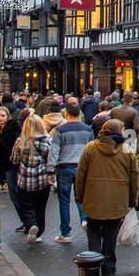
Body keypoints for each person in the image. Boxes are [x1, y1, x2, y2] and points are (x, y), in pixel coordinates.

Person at [74, 118, 139, 276]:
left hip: (93, 197)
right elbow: (134, 177)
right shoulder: (126, 150)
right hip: (117, 199)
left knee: (94, 230)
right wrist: (133, 200)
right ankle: (109, 265)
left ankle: (93, 263)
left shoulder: (91, 148)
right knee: (111, 232)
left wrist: (80, 196)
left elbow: (80, 174)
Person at [49, 102, 92, 243]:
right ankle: (85, 221)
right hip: (82, 166)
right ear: (79, 114)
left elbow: (54, 151)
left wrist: (50, 170)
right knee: (82, 197)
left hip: (64, 166)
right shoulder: (88, 129)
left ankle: (65, 233)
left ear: (66, 114)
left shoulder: (60, 130)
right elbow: (92, 148)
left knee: (64, 200)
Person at [13, 113, 54, 244]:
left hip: (24, 180)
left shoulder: (20, 141)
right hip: (42, 180)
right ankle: (39, 232)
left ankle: (31, 224)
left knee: (26, 206)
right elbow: (51, 160)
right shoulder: (47, 141)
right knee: (41, 207)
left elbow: (14, 160)